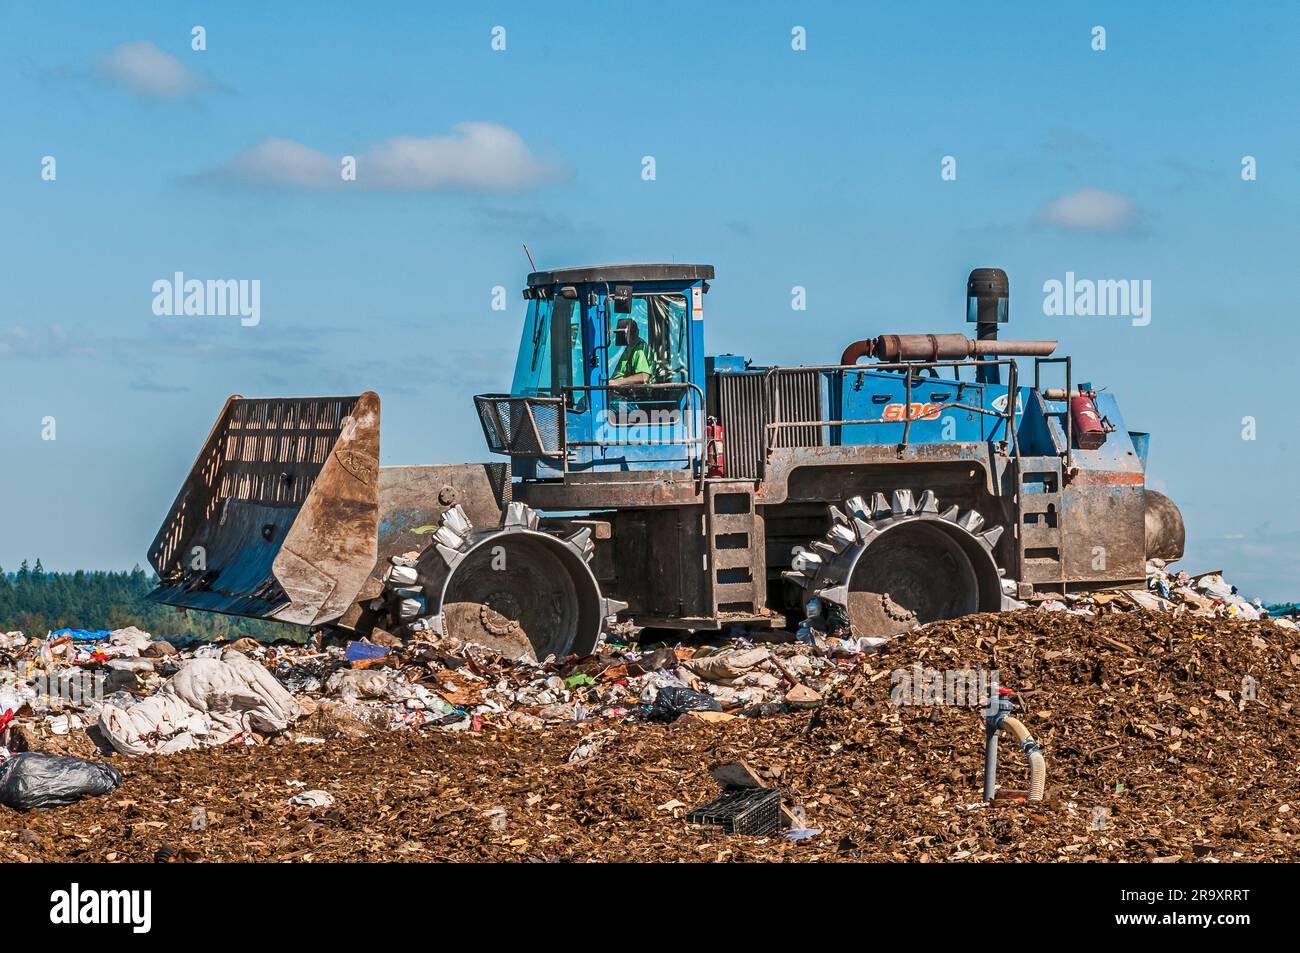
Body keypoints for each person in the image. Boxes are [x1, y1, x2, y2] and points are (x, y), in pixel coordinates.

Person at [608, 317, 653, 387]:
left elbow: (643, 377)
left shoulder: (639, 349)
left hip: (629, 393)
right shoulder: (630, 347)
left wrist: (617, 382)